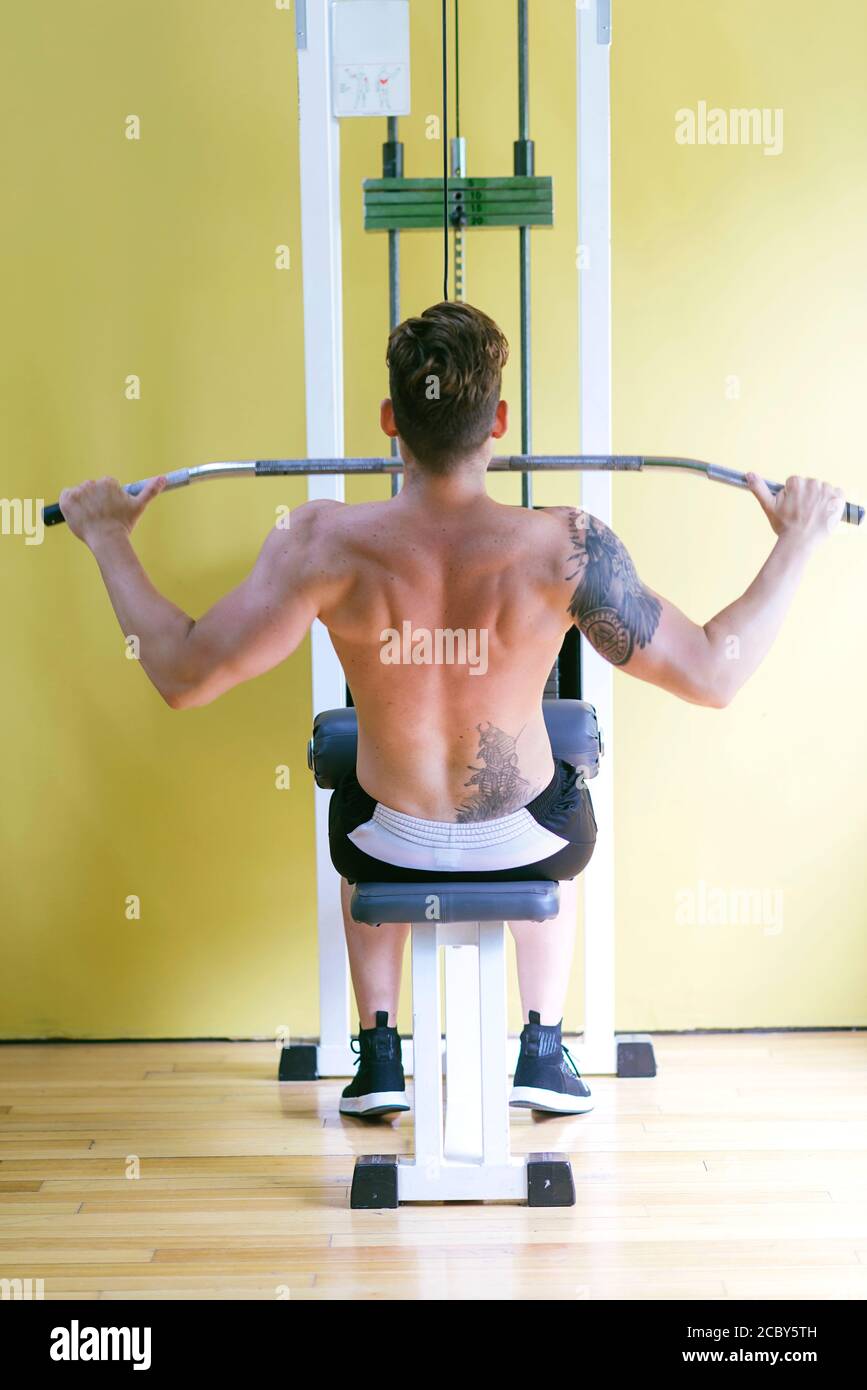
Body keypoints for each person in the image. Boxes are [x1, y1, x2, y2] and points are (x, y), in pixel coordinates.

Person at [58, 301, 846, 1118]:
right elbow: (713, 673)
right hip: (528, 838)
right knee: (567, 756)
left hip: (384, 838)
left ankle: (379, 1055)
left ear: (389, 420)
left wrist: (109, 538)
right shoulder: (564, 547)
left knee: (348, 773)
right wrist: (797, 541)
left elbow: (183, 673)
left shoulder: (318, 543)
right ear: (499, 420)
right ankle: (541, 1045)